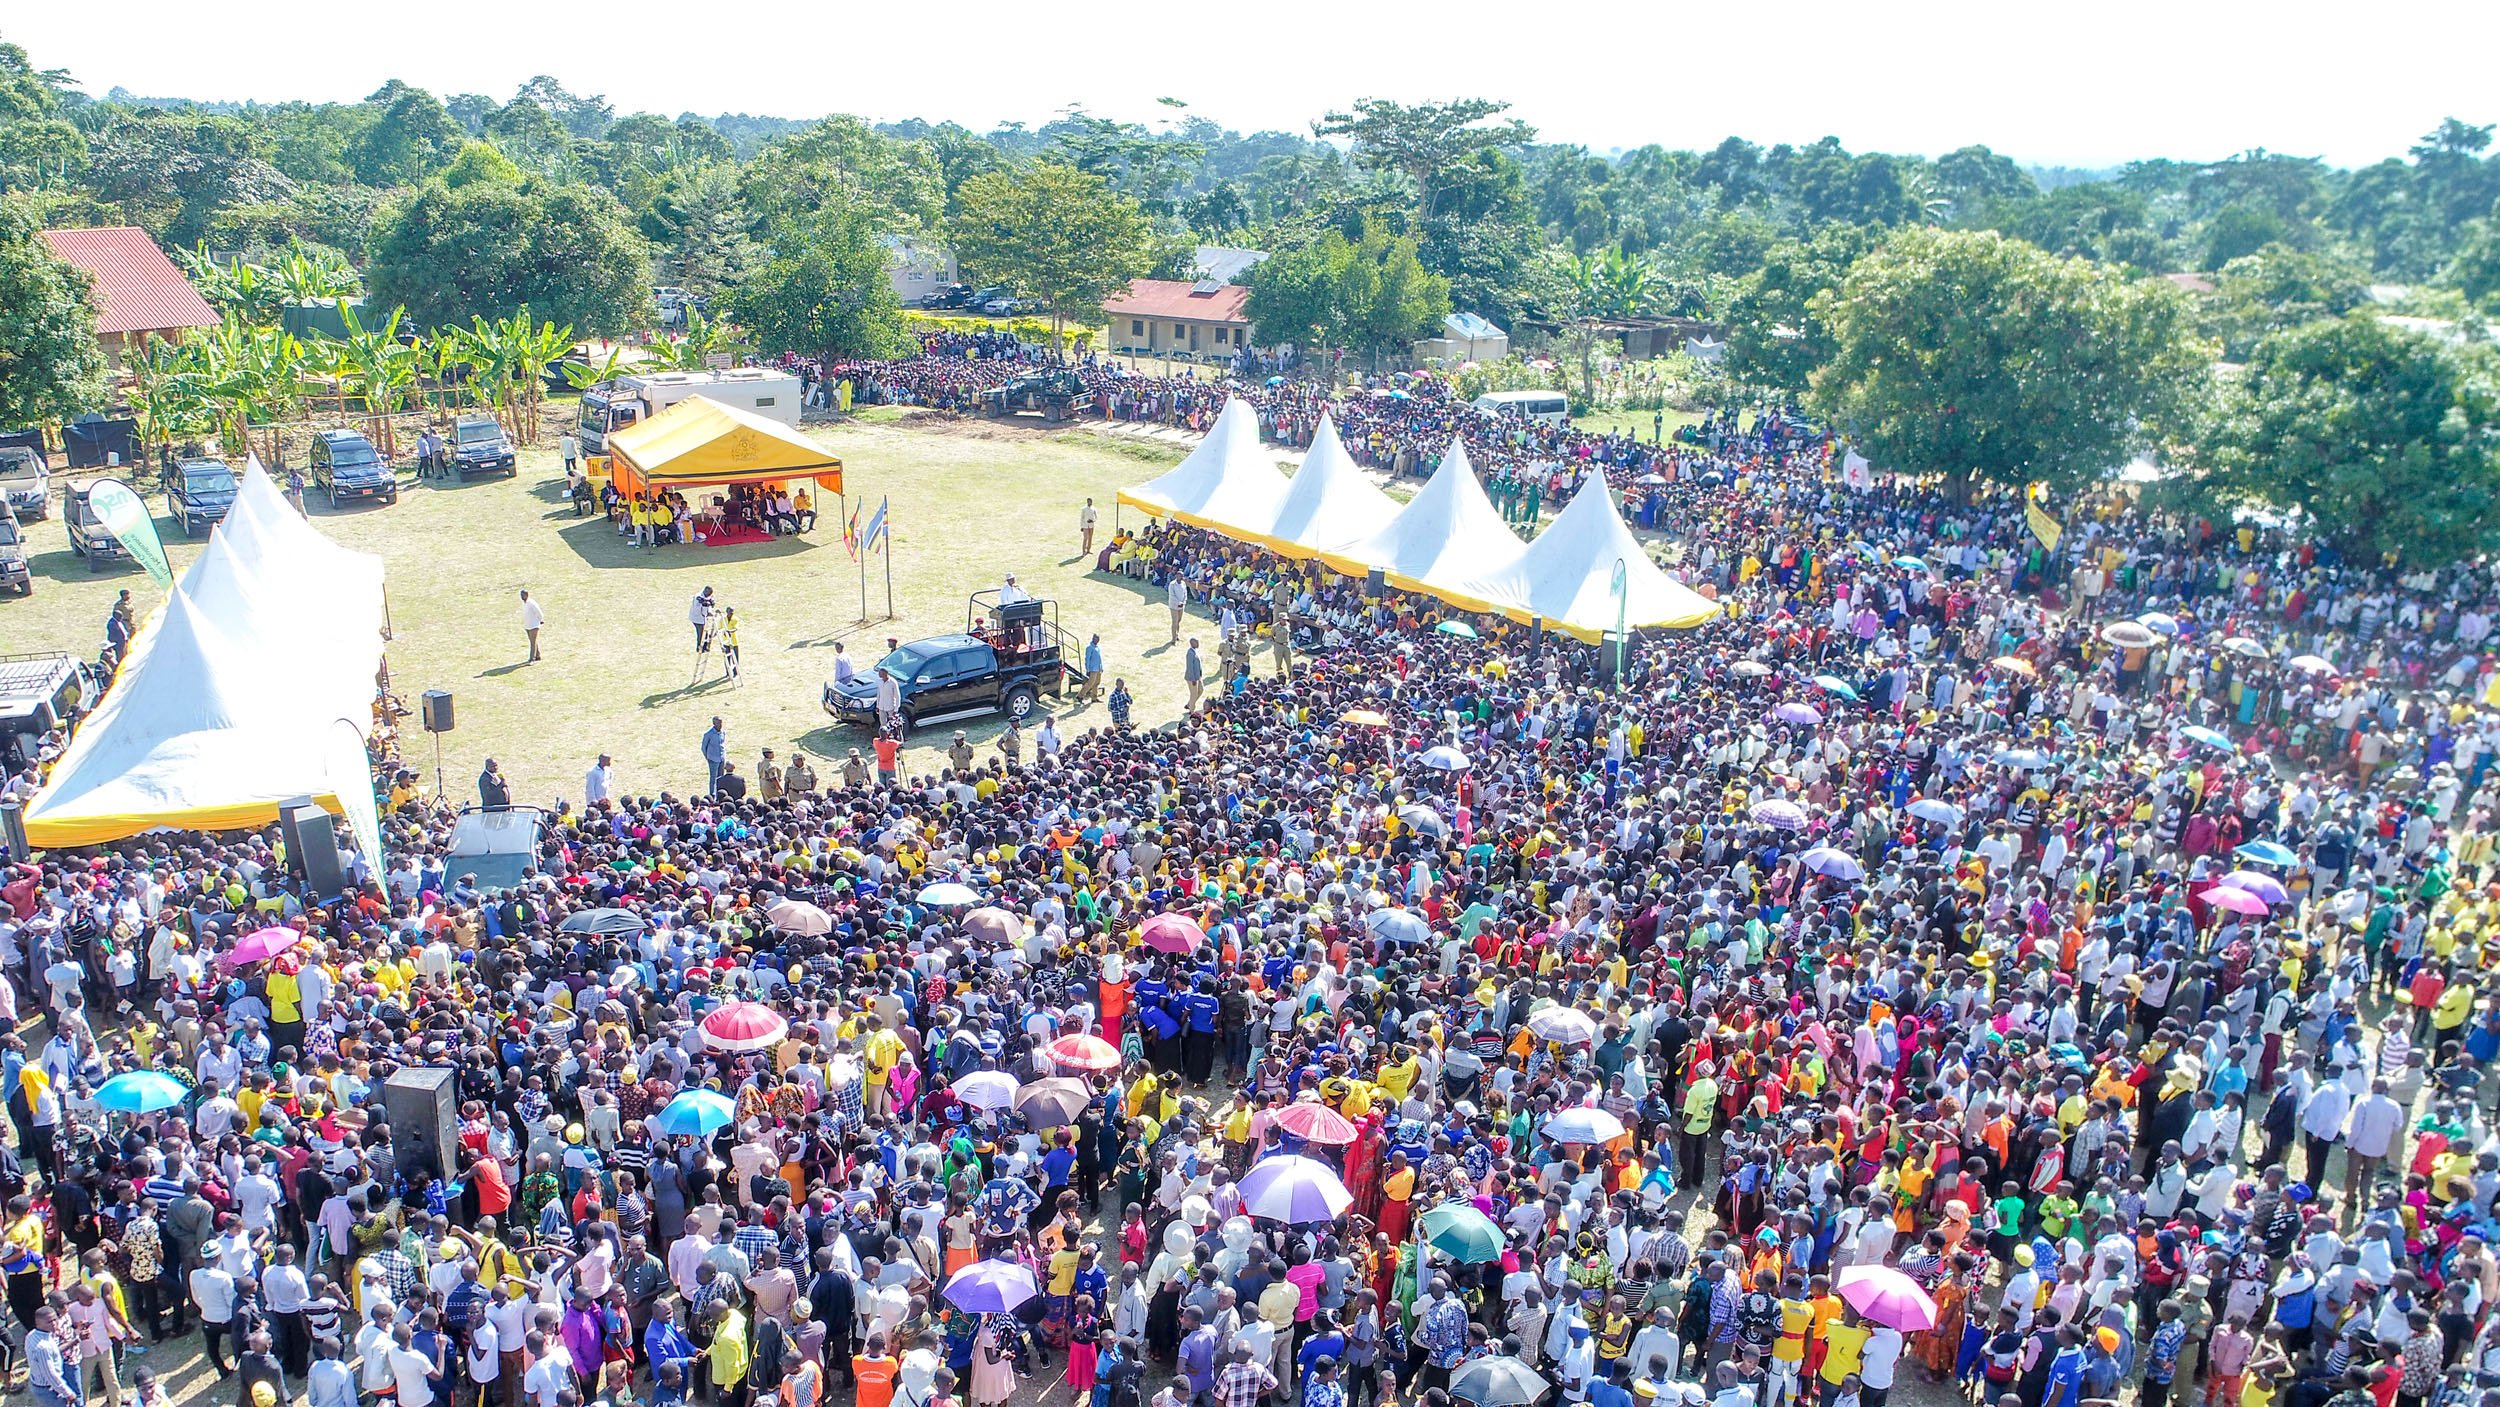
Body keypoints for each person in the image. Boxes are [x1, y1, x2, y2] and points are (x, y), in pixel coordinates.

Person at [702, 718, 727, 796]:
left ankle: (720, 793)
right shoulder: (708, 734)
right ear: (714, 723)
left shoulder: (723, 733)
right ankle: (712, 794)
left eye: (721, 723)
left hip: (721, 758)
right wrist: (708, 757)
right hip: (713, 759)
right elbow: (703, 747)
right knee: (713, 778)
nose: (720, 725)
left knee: (721, 777)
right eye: (718, 723)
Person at [520, 590, 544, 664]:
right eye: (521, 595)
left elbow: (539, 613)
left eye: (523, 595)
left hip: (534, 625)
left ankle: (531, 659)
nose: (522, 597)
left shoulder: (532, 603)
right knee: (532, 641)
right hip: (528, 625)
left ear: (527, 594)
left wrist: (541, 620)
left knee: (533, 642)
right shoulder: (524, 603)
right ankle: (537, 655)